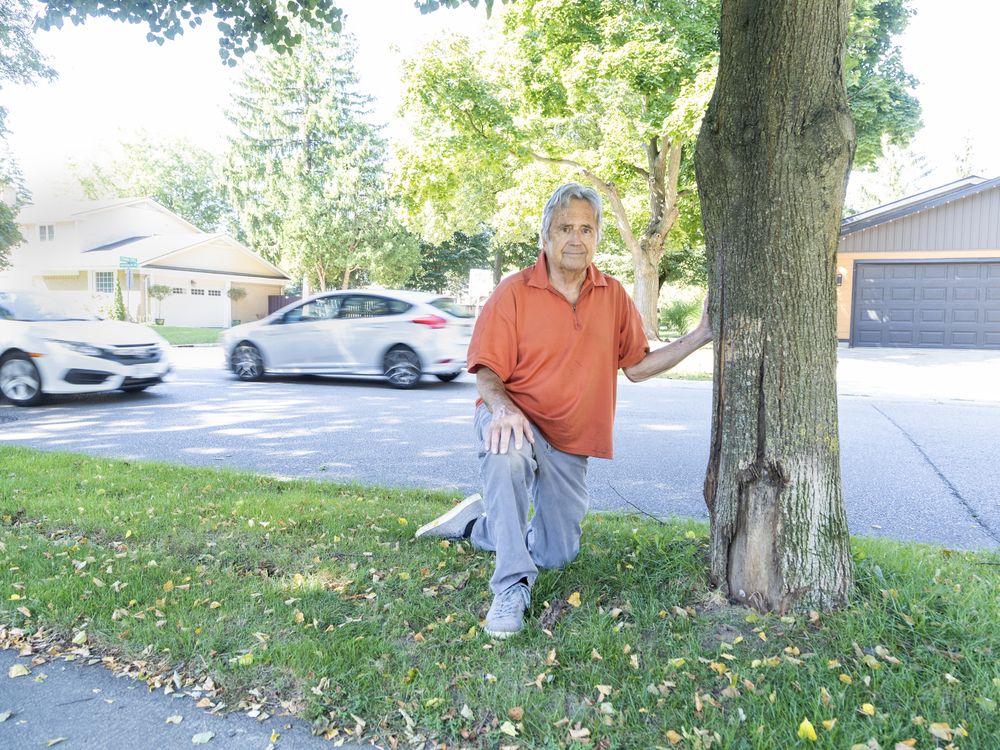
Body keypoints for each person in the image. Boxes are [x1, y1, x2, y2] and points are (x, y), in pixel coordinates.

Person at [415, 183, 712, 638]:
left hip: (570, 440)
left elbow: (636, 367)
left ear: (596, 238)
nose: (576, 238)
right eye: (565, 228)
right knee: (506, 450)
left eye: (586, 229)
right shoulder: (513, 293)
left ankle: (478, 525)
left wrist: (699, 335)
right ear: (546, 237)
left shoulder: (612, 295)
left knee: (557, 553)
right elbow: (487, 374)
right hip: (513, 418)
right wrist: (502, 410)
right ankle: (511, 586)